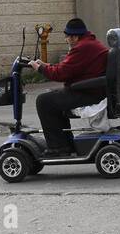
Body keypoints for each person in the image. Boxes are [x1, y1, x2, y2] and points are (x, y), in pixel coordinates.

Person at [29, 17, 109, 156]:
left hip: (88, 93)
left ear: (74, 36)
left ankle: (58, 147)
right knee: (53, 98)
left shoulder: (82, 48)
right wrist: (47, 65)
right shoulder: (90, 43)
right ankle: (64, 144)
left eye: (67, 37)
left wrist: (39, 69)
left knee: (43, 101)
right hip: (92, 89)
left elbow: (61, 74)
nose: (66, 40)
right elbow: (68, 68)